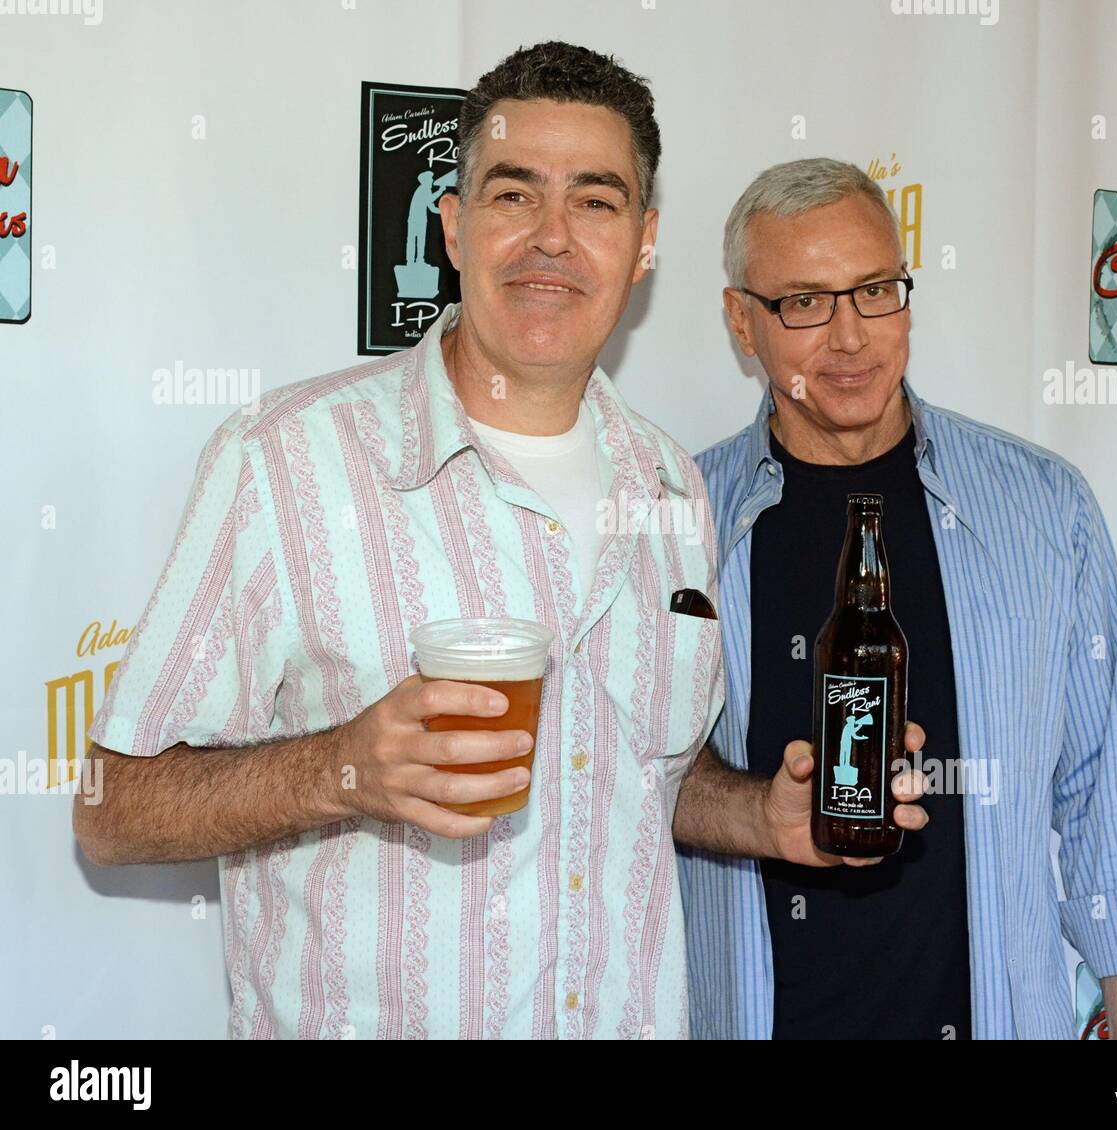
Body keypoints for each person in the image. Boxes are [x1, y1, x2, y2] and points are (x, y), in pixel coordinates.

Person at [75, 40, 727, 1041]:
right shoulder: (286, 460)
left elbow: (638, 785)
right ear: (454, 226)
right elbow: (110, 809)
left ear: (643, 243)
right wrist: (342, 766)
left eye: (595, 201)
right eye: (514, 195)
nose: (551, 237)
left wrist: (765, 811)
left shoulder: (674, 483)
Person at [675, 157, 1117, 1039]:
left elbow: (1107, 804)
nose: (850, 338)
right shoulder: (676, 520)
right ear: (740, 323)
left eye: (874, 291)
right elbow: (631, 782)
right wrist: (756, 811)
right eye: (804, 302)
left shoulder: (1042, 507)